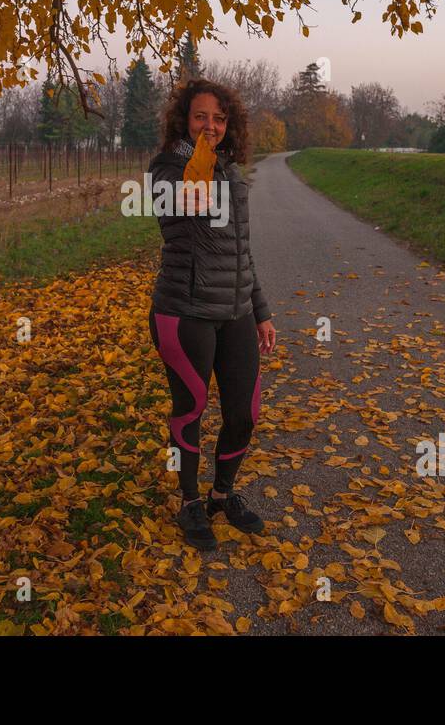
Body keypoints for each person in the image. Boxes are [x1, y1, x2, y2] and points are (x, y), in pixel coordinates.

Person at [146, 77, 276, 552]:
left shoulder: (230, 172)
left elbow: (242, 251)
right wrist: (202, 154)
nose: (211, 126)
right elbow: (186, 199)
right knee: (191, 411)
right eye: (201, 116)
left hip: (236, 309)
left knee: (245, 412)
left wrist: (259, 310)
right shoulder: (167, 169)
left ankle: (222, 493)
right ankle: (188, 502)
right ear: (184, 119)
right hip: (185, 312)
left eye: (219, 119)